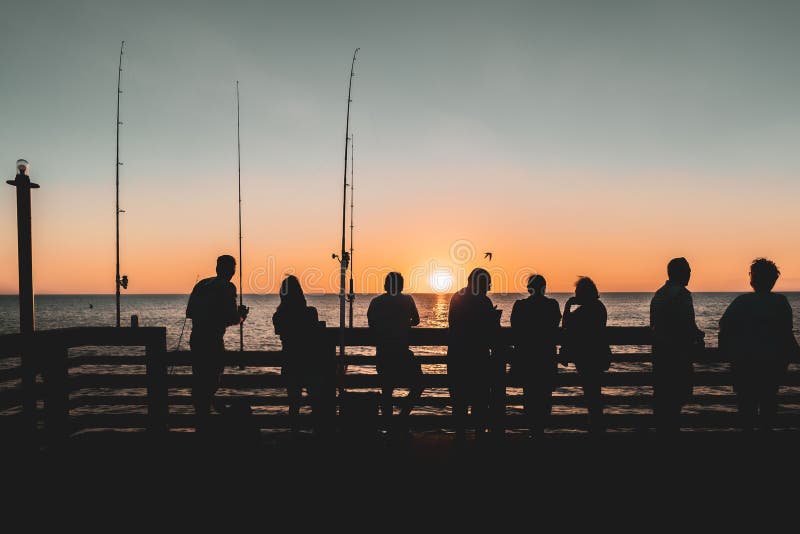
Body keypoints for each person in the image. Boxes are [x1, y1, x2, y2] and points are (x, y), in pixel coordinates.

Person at [719, 258, 799, 432]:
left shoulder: (741, 302)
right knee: (768, 403)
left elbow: (724, 327)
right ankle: (765, 446)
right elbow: (787, 334)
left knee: (746, 407)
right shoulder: (781, 303)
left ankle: (749, 447)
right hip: (772, 365)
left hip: (744, 364)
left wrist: (726, 350)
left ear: (753, 279)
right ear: (773, 280)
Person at [186, 255, 249, 431]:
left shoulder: (201, 284)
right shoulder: (228, 287)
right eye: (234, 267)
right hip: (213, 341)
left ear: (217, 268)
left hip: (196, 339)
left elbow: (189, 312)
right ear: (232, 270)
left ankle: (201, 421)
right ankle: (209, 420)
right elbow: (231, 318)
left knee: (200, 380)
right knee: (212, 381)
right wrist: (242, 316)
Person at [650, 257, 705, 434]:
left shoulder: (659, 294)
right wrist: (697, 336)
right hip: (677, 355)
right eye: (687, 270)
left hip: (660, 355)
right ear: (679, 273)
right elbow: (686, 324)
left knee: (663, 400)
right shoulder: (682, 295)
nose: (690, 273)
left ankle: (664, 433)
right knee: (676, 399)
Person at [447, 268, 502, 441]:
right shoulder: (483, 301)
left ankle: (460, 438)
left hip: (457, 354)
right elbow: (488, 330)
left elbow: (453, 324)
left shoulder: (457, 297)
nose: (489, 287)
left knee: (459, 400)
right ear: (480, 283)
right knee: (480, 400)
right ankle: (479, 438)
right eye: (488, 283)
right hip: (478, 356)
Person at [272, 275, 330, 433]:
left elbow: (281, 331)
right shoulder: (311, 313)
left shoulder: (278, 317)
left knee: (294, 404)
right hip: (310, 363)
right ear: (300, 293)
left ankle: (294, 434)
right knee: (316, 403)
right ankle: (318, 434)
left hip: (290, 363)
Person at [367, 272, 423, 432]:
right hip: (401, 353)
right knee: (419, 384)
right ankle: (402, 416)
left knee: (387, 391)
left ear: (385, 285)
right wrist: (402, 323)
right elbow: (417, 320)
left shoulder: (376, 301)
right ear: (401, 286)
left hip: (383, 354)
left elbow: (371, 323)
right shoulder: (407, 300)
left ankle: (389, 428)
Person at [510, 274, 561, 438]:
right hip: (546, 357)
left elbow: (515, 328)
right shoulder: (552, 305)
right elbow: (556, 325)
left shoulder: (520, 306)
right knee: (545, 397)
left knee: (529, 396)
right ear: (544, 288)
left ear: (528, 288)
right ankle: (540, 433)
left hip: (527, 358)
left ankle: (533, 433)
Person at [561, 277, 609, 434]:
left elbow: (567, 324)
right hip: (598, 355)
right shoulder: (599, 307)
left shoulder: (585, 310)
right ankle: (597, 426)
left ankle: (595, 428)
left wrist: (568, 305)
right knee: (594, 393)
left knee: (592, 394)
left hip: (587, 358)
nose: (575, 294)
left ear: (583, 293)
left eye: (577, 292)